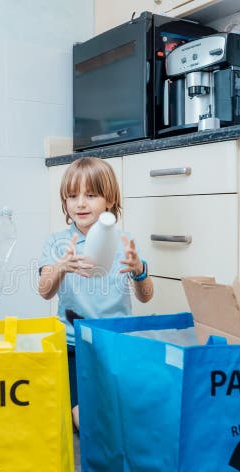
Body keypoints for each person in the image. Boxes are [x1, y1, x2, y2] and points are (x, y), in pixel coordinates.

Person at [38, 157, 154, 432]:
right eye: (72, 196)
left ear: (109, 200)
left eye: (90, 195)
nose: (80, 204)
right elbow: (44, 291)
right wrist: (61, 267)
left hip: (116, 343)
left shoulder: (124, 242)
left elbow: (146, 296)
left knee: (130, 411)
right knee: (87, 419)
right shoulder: (58, 243)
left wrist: (139, 271)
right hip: (73, 347)